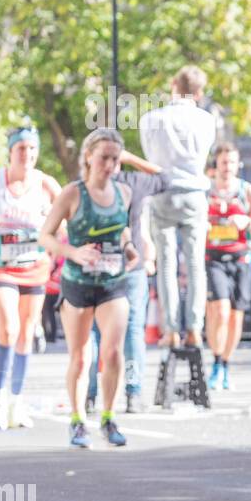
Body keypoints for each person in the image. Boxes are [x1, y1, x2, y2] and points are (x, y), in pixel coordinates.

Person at [39, 129, 138, 448]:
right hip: (78, 283)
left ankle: (109, 418)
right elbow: (46, 235)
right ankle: (78, 420)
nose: (109, 165)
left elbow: (122, 228)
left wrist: (129, 246)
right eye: (104, 158)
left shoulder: (123, 192)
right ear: (88, 157)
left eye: (114, 159)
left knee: (112, 352)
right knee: (81, 356)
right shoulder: (73, 193)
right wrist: (73, 252)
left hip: (112, 281)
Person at [0, 127, 61, 429]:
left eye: (32, 149)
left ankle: (17, 402)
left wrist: (53, 232)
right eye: (21, 149)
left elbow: (67, 215)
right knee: (8, 328)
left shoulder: (47, 184)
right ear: (10, 152)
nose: (27, 155)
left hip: (34, 265)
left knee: (27, 331)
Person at [140, 65, 217, 350]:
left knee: (167, 264)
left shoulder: (151, 119)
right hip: (194, 193)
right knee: (196, 264)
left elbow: (150, 157)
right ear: (198, 93)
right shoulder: (206, 120)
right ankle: (195, 328)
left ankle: (171, 329)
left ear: (173, 84)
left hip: (163, 192)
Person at [84, 149, 165, 414]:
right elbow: (165, 177)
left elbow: (166, 178)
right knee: (120, 329)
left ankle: (102, 394)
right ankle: (122, 392)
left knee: (107, 329)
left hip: (118, 265)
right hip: (116, 266)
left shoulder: (88, 183)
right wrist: (130, 158)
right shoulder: (132, 181)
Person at [204, 142, 251, 390]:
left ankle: (226, 365)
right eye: (223, 162)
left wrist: (245, 221)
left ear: (237, 164)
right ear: (216, 164)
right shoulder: (205, 190)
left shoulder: (247, 191)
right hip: (213, 256)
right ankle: (216, 361)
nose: (228, 167)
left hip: (241, 257)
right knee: (219, 310)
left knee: (234, 316)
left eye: (231, 162)